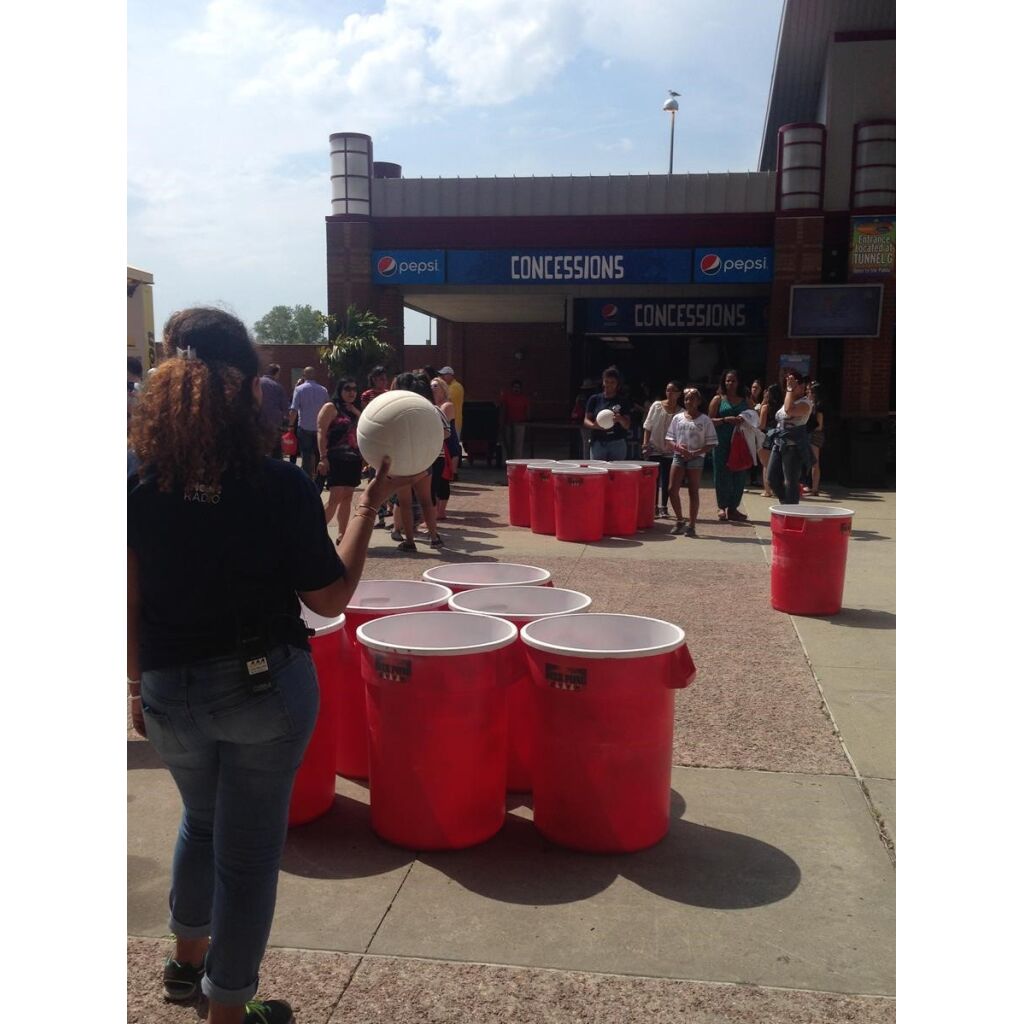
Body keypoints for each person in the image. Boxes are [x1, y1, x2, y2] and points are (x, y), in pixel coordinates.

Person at [128, 307, 412, 1024]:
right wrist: (365, 513)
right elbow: (329, 599)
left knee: (200, 819)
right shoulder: (275, 483)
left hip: (168, 687)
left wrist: (136, 682)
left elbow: (124, 593)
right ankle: (229, 1010)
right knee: (249, 856)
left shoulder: (136, 480)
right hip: (262, 689)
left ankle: (184, 964)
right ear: (246, 387)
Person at [390, 372, 445, 551]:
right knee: (426, 500)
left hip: (402, 461)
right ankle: (434, 537)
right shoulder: (429, 408)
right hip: (423, 460)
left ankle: (410, 541)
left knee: (405, 502)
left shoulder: (396, 408)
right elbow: (446, 432)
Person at [665, 387, 717, 537]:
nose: (689, 401)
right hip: (679, 455)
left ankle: (692, 524)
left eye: (692, 398)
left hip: (696, 458)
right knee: (671, 489)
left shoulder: (705, 420)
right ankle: (680, 520)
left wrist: (696, 452)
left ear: (699, 401)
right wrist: (677, 447)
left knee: (693, 491)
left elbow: (712, 442)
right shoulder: (678, 418)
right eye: (687, 398)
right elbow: (669, 438)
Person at [316, 379, 363, 540]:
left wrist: (356, 411)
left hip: (353, 459)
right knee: (335, 497)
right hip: (335, 458)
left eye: (354, 389)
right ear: (340, 390)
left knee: (348, 496)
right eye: (347, 389)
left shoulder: (354, 409)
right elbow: (321, 432)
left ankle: (342, 534)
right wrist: (323, 457)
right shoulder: (330, 407)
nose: (351, 392)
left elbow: (366, 425)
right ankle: (315, 533)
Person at [767, 370, 815, 505]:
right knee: (772, 478)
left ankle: (791, 509)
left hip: (793, 445)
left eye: (794, 383)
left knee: (791, 481)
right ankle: (785, 502)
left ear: (802, 386)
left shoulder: (806, 403)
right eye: (788, 383)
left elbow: (789, 410)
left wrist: (789, 389)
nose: (790, 386)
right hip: (779, 443)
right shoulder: (789, 399)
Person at [707, 369, 749, 521]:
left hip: (740, 441)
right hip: (722, 441)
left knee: (739, 474)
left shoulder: (745, 400)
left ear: (739, 382)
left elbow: (754, 418)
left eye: (733, 381)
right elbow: (708, 422)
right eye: (728, 381)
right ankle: (721, 507)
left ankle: (733, 508)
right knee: (721, 474)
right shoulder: (718, 400)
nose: (730, 384)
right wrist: (726, 420)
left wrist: (746, 419)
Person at [642, 380, 683, 518]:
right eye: (667, 390)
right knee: (653, 479)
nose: (669, 393)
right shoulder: (656, 405)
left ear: (679, 393)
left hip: (670, 451)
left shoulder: (681, 412)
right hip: (654, 447)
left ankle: (663, 507)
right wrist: (645, 444)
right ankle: (652, 507)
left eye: (673, 390)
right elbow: (648, 426)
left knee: (667, 480)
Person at [288, 366, 329, 480]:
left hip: (304, 426)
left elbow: (294, 409)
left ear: (304, 375)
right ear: (314, 375)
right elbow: (328, 407)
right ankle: (318, 478)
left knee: (306, 455)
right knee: (318, 454)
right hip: (319, 428)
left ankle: (307, 479)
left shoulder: (299, 389)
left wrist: (291, 426)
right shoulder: (323, 390)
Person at [583, 367, 631, 461]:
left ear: (617, 384)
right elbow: (586, 420)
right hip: (598, 442)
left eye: (612, 382)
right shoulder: (595, 399)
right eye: (607, 381)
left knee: (617, 472)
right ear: (603, 382)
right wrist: (594, 425)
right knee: (598, 471)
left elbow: (627, 425)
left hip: (617, 442)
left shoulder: (623, 401)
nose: (609, 384)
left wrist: (620, 419)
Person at [430, 376, 458, 520]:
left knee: (444, 478)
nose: (433, 388)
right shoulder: (431, 405)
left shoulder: (447, 405)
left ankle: (441, 511)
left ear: (443, 389)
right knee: (436, 477)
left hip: (447, 445)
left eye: (436, 386)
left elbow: (445, 430)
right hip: (437, 444)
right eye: (431, 386)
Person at [258, 363, 289, 458]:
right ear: (277, 373)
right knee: (276, 450)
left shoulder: (258, 382)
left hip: (258, 421)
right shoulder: (278, 386)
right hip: (274, 423)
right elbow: (284, 407)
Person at [758, 383, 783, 497]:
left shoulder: (765, 407)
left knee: (766, 465)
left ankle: (768, 490)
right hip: (779, 435)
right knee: (778, 464)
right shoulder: (783, 407)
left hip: (767, 436)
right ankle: (777, 489)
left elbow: (762, 425)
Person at [498, 379, 530, 462]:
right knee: (507, 444)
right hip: (508, 424)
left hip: (520, 424)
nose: (516, 389)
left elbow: (527, 411)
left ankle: (517, 462)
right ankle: (508, 461)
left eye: (518, 387)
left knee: (518, 445)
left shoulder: (524, 398)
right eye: (515, 387)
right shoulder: (506, 397)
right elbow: (503, 410)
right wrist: (501, 423)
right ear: (512, 388)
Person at [807, 381, 825, 495]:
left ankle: (815, 489)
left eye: (809, 391)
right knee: (811, 462)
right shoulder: (811, 404)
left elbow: (819, 425)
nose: (807, 392)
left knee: (815, 462)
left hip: (815, 435)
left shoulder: (818, 406)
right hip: (810, 434)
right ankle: (811, 486)